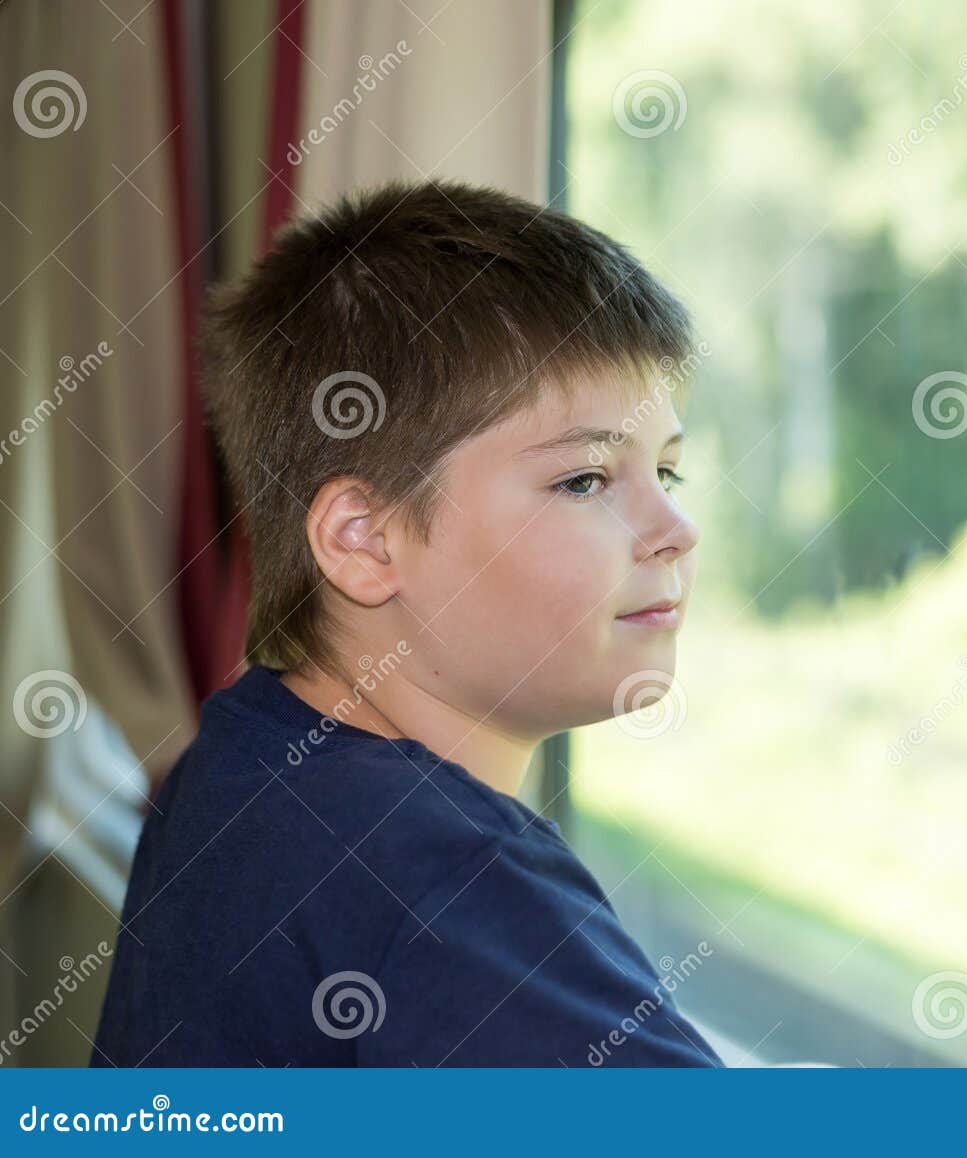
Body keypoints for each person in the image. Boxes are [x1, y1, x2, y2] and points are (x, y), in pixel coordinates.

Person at [91, 179, 723, 1067]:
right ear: (366, 542)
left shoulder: (242, 754)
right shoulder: (450, 881)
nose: (676, 531)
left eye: (669, 473)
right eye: (585, 480)